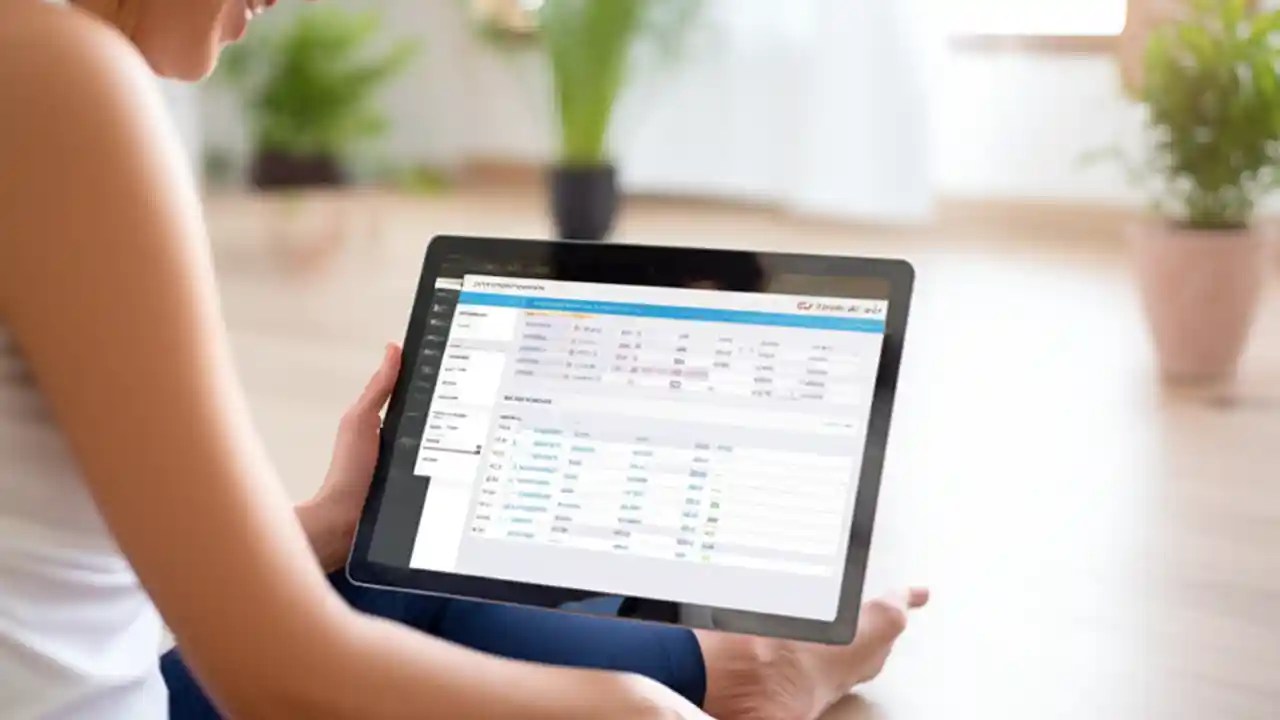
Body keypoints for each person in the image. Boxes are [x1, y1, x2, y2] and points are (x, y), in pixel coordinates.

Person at [0, 1, 929, 718]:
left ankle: (737, 666)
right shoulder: (56, 81)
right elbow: (279, 679)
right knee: (416, 619)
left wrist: (325, 523)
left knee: (376, 576)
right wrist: (626, 708)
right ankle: (747, 673)